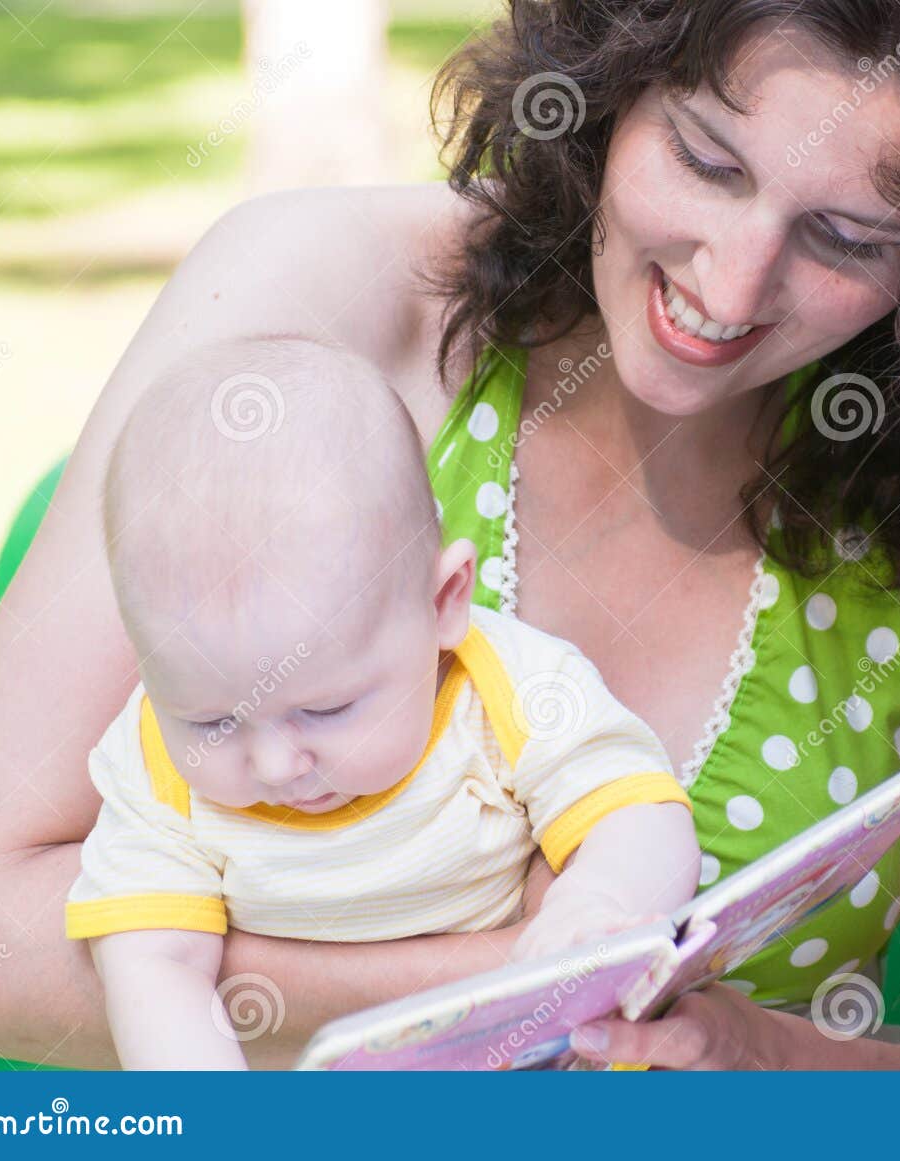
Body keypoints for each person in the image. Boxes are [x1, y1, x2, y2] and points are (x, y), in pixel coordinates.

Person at [0, 0, 900, 1069]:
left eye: (846, 240)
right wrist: (532, 975)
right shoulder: (340, 295)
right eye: (707, 162)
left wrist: (742, 1049)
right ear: (606, 89)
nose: (734, 279)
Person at [73, 336, 696, 1068]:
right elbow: (156, 967)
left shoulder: (507, 688)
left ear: (442, 602)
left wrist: (596, 903)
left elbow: (639, 812)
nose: (277, 763)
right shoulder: (155, 758)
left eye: (328, 709)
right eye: (213, 720)